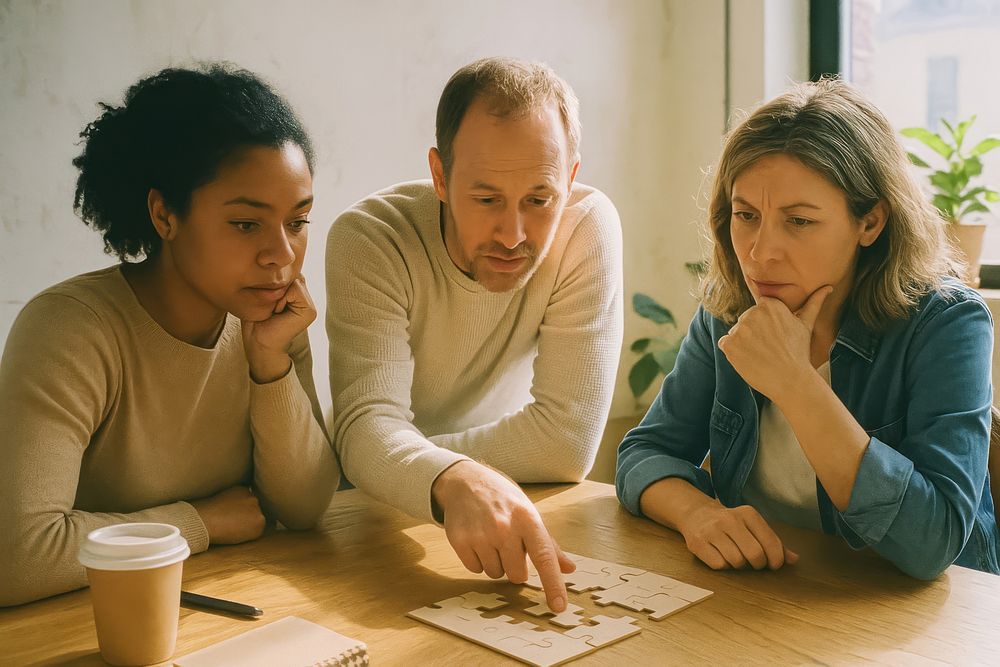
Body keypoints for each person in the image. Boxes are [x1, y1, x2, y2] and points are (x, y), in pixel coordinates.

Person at [616, 78, 999, 579]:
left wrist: (796, 384)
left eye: (798, 221)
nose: (759, 252)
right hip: (775, 599)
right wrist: (698, 513)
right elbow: (644, 452)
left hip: (925, 622)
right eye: (746, 215)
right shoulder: (729, 311)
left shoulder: (948, 323)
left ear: (870, 223)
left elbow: (935, 542)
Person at [0, 64, 340, 606]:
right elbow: (17, 556)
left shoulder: (269, 322)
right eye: (246, 224)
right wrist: (199, 522)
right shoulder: (70, 330)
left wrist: (269, 362)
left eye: (297, 222)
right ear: (164, 214)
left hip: (220, 606)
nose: (281, 255)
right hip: (83, 624)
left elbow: (303, 509)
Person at [326, 57, 623, 611]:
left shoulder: (587, 226)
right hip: (365, 516)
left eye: (540, 200)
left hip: (498, 497)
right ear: (440, 176)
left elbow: (565, 446)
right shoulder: (370, 239)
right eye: (486, 200)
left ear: (571, 177)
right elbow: (365, 423)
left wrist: (398, 464)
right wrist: (448, 478)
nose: (513, 235)